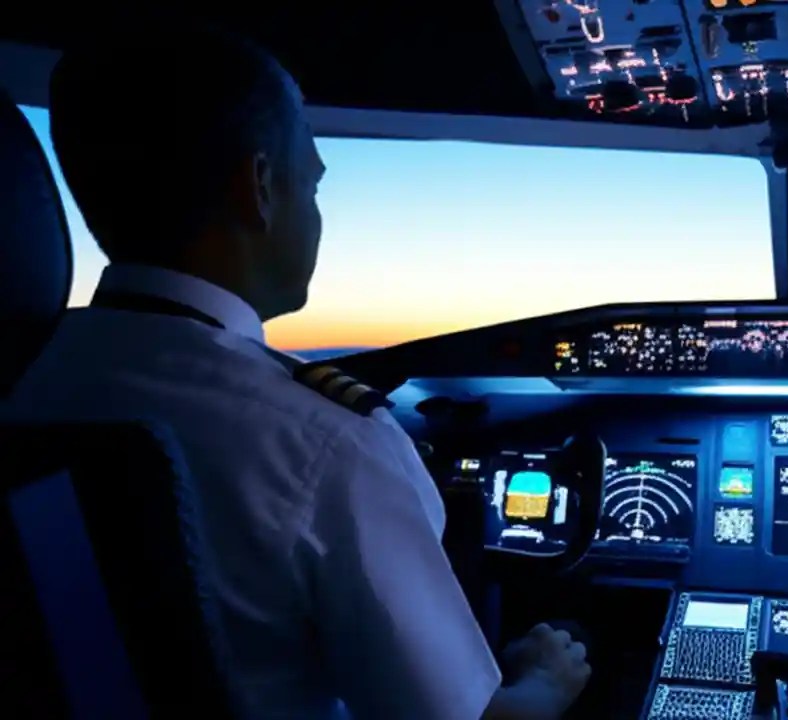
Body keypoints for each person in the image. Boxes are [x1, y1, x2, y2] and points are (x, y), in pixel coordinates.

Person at [7, 25, 589, 720]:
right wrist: (548, 681)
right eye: (311, 184)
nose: (314, 214)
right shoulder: (331, 445)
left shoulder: (25, 385)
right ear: (258, 188)